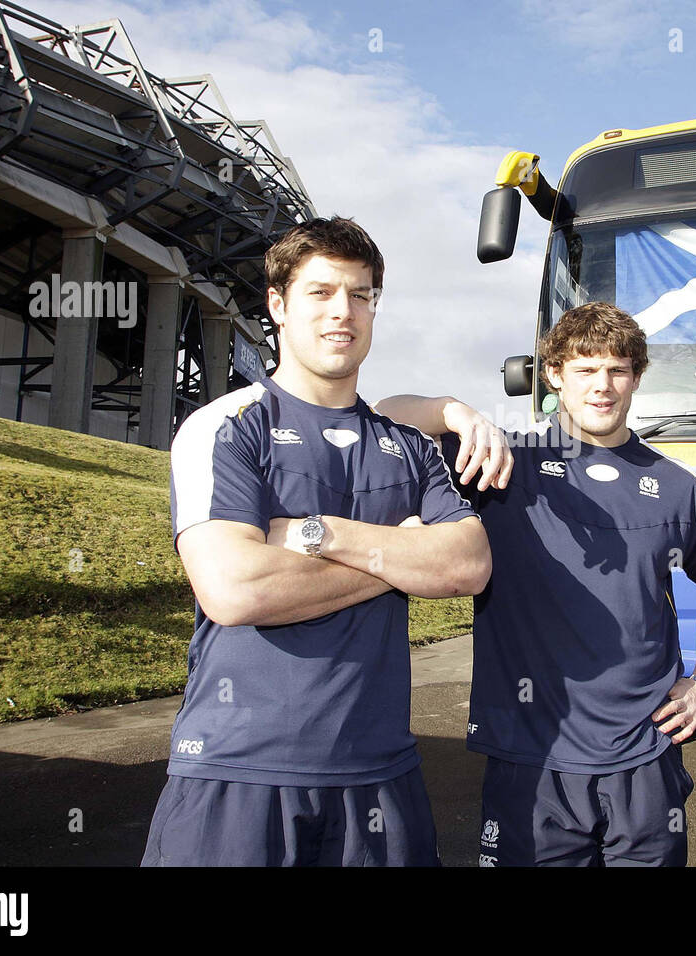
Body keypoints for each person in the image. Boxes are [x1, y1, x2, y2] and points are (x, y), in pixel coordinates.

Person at [141, 216, 491, 867]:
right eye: (320, 293)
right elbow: (236, 588)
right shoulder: (226, 427)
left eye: (360, 295)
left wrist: (319, 534)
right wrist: (401, 559)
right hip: (238, 774)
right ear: (276, 305)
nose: (343, 312)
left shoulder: (408, 449)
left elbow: (468, 563)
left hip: (381, 778)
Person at [370, 301, 696, 866]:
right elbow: (386, 415)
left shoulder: (677, 488)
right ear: (553, 376)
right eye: (586, 369)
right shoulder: (499, 463)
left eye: (618, 369)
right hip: (532, 757)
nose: (603, 386)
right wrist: (456, 413)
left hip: (644, 753)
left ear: (637, 378)